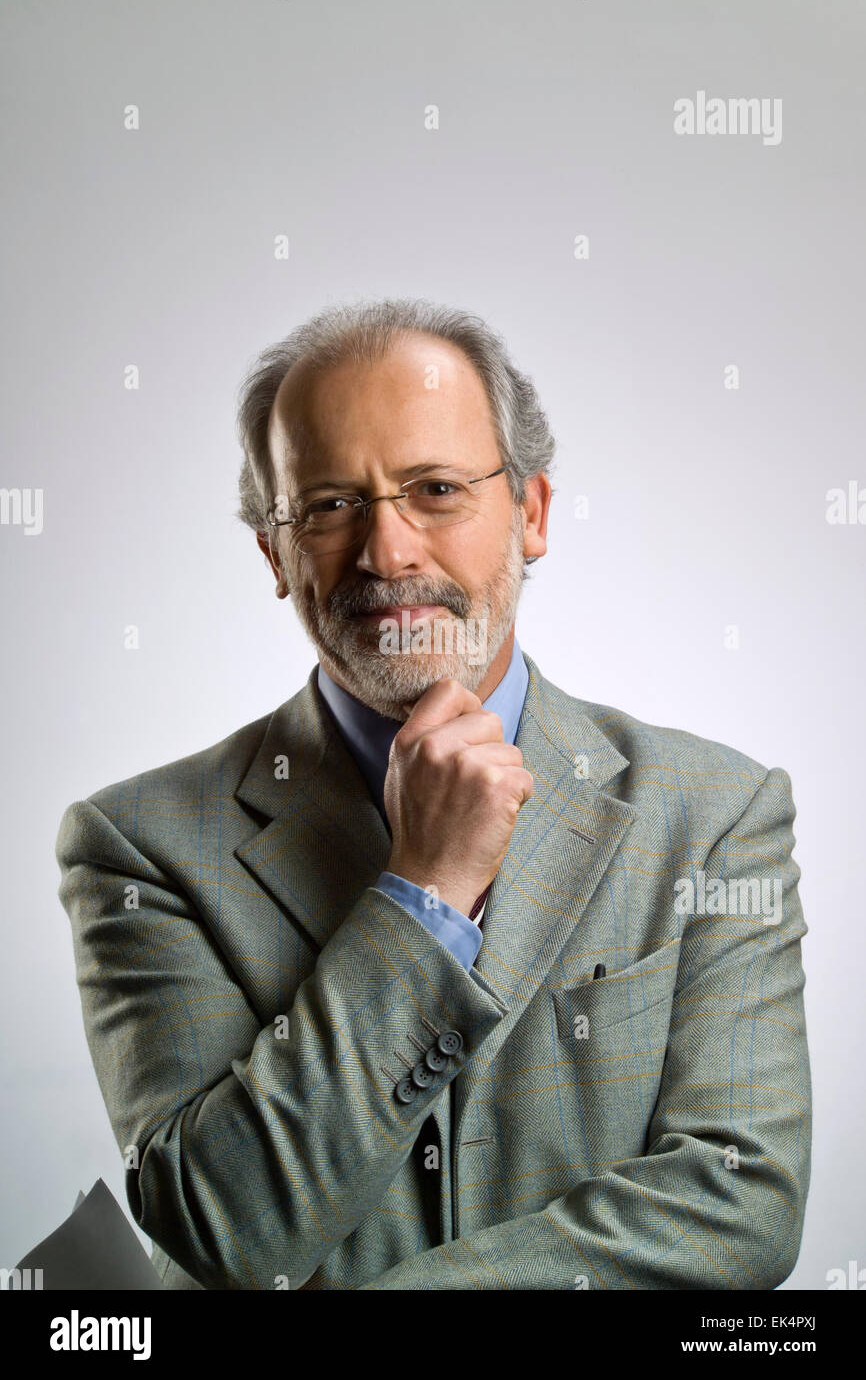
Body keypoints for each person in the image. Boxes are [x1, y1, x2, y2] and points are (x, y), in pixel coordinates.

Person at [56, 298, 811, 1289]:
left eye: (435, 488)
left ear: (530, 513)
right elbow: (222, 1229)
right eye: (328, 505)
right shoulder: (137, 844)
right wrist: (423, 892)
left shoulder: (716, 814)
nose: (386, 553)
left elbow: (737, 1201)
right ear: (274, 555)